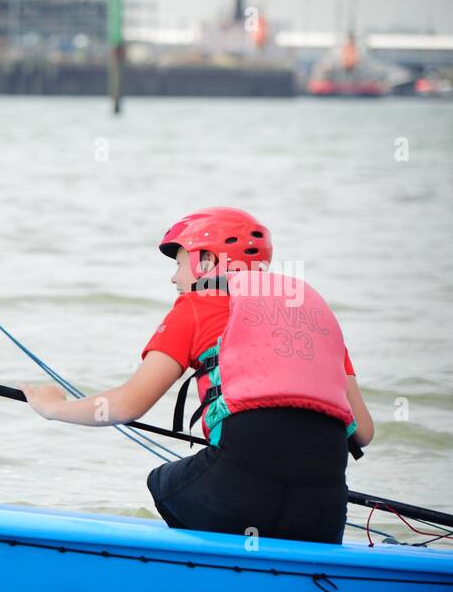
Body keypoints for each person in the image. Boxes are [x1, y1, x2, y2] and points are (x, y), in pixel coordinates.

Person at [19, 206, 373, 544]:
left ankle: (207, 574)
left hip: (238, 494)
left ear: (208, 261)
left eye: (179, 263)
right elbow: (364, 432)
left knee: (162, 483)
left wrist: (54, 408)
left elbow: (127, 404)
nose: (174, 277)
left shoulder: (196, 306)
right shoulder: (311, 314)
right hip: (323, 510)